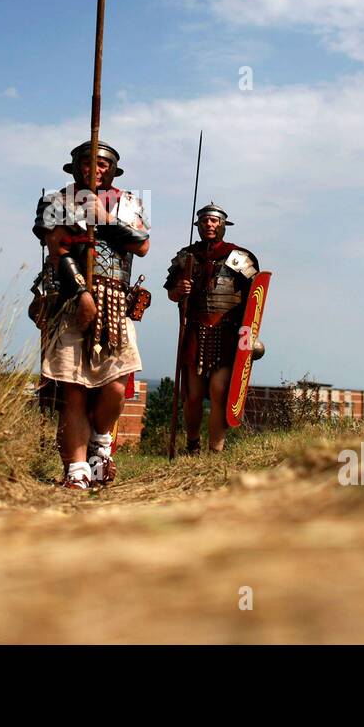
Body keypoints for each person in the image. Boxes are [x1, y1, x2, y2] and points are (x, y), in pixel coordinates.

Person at [31, 141, 149, 489]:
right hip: (69, 298)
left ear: (112, 169)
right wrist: (82, 293)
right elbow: (57, 248)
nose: (93, 169)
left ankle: (100, 443)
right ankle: (77, 470)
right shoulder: (56, 201)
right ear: (75, 167)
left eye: (101, 164)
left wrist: (104, 218)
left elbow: (140, 245)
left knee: (114, 384)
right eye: (87, 163)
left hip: (115, 299)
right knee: (74, 389)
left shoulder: (129, 202)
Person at [165, 203, 260, 453]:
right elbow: (172, 294)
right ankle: (193, 445)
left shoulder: (239, 257)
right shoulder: (186, 256)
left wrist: (250, 335)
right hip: (196, 330)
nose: (209, 224)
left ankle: (216, 450)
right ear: (198, 225)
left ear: (223, 226)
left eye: (214, 221)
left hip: (227, 332)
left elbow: (255, 298)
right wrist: (179, 291)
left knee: (220, 390)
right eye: (205, 220)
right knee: (193, 395)